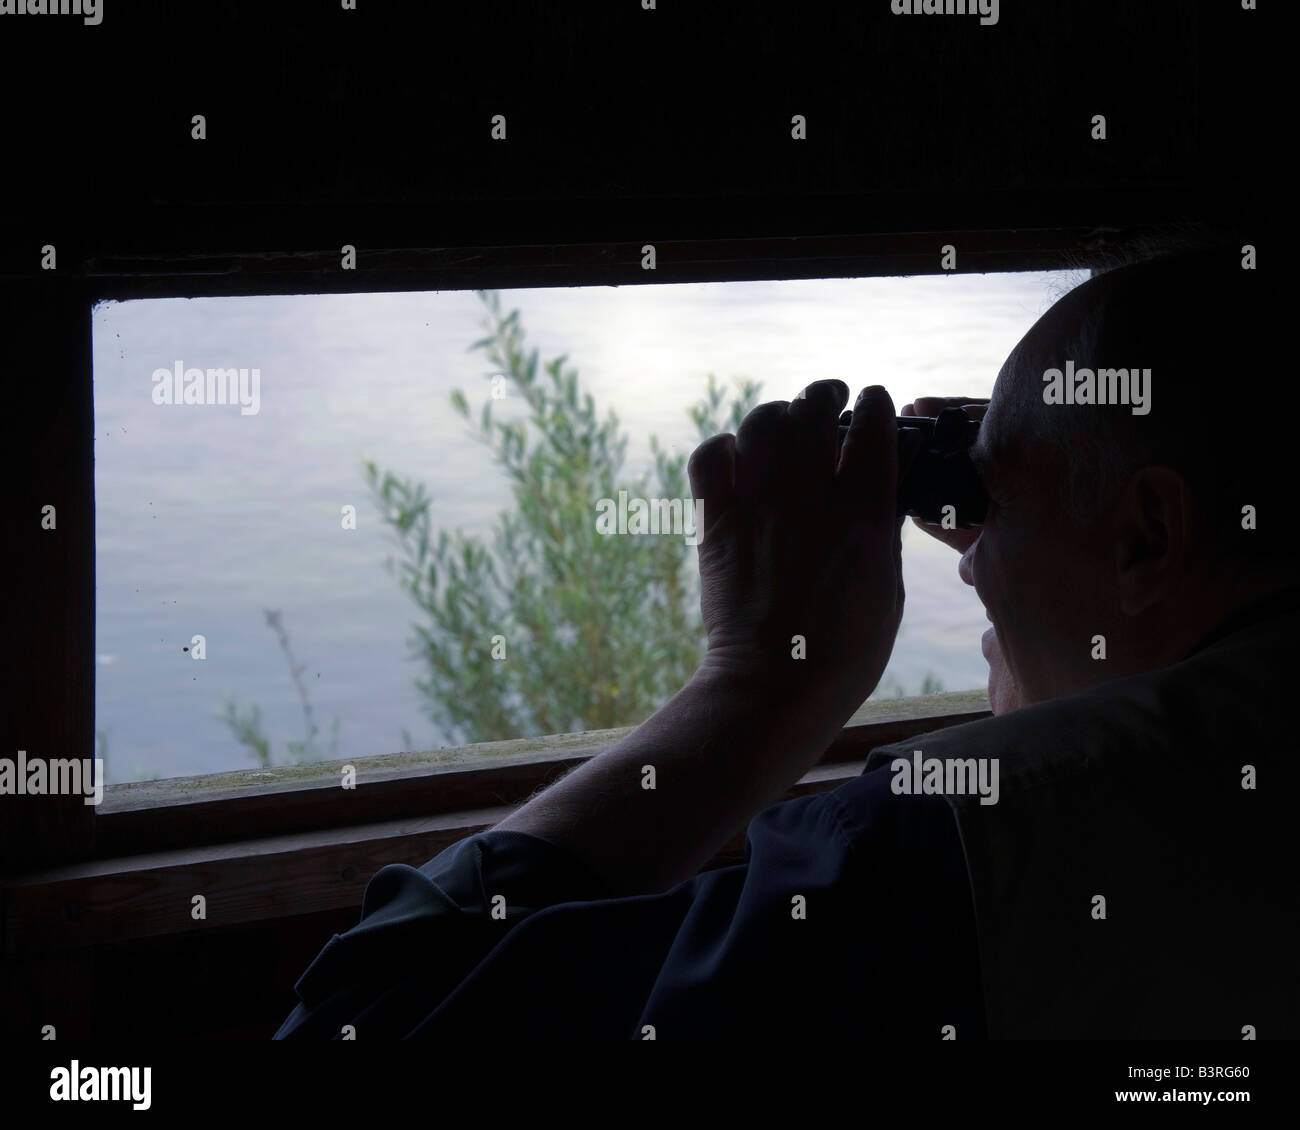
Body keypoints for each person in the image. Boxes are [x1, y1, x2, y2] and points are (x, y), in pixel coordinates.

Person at [275, 244, 1297, 1039]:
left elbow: (358, 1017)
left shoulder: (960, 857)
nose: (968, 561)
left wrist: (758, 681)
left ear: (1148, 535)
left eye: (989, 512)